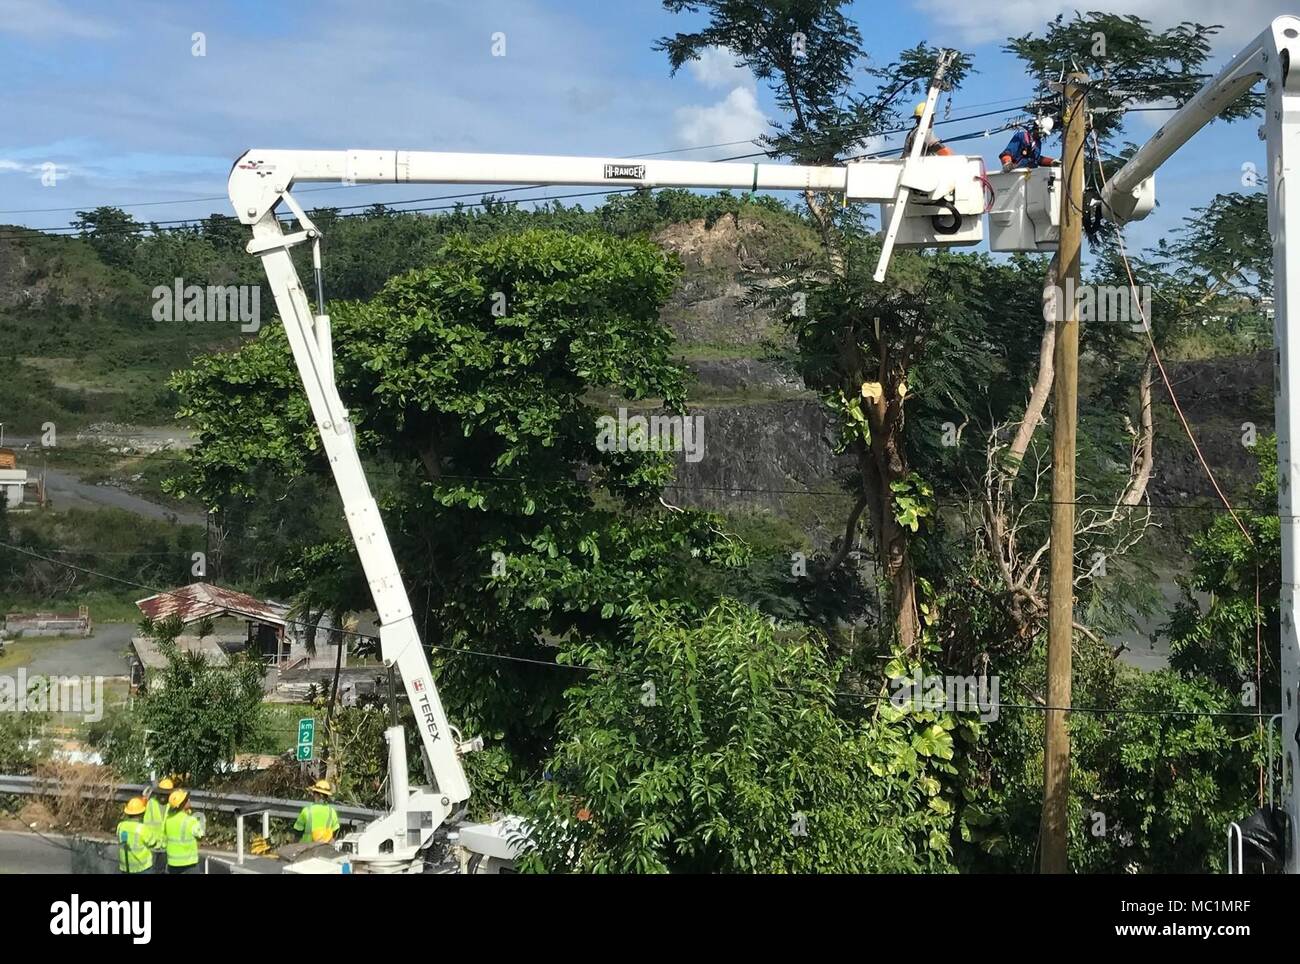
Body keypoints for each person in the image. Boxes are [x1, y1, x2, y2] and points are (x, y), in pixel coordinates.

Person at [163, 788, 205, 874]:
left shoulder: (168, 820)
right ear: (182, 804)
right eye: (186, 799)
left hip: (173, 863)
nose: (189, 800)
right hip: (189, 863)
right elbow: (201, 835)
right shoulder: (190, 821)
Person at [117, 797, 161, 874]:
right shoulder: (142, 828)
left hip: (125, 867)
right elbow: (153, 843)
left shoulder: (120, 826)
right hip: (142, 867)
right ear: (142, 813)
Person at [294, 779, 341, 843]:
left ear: (315, 795)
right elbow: (335, 832)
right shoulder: (332, 812)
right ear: (326, 796)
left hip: (307, 848)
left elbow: (298, 832)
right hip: (324, 849)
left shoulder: (307, 811)